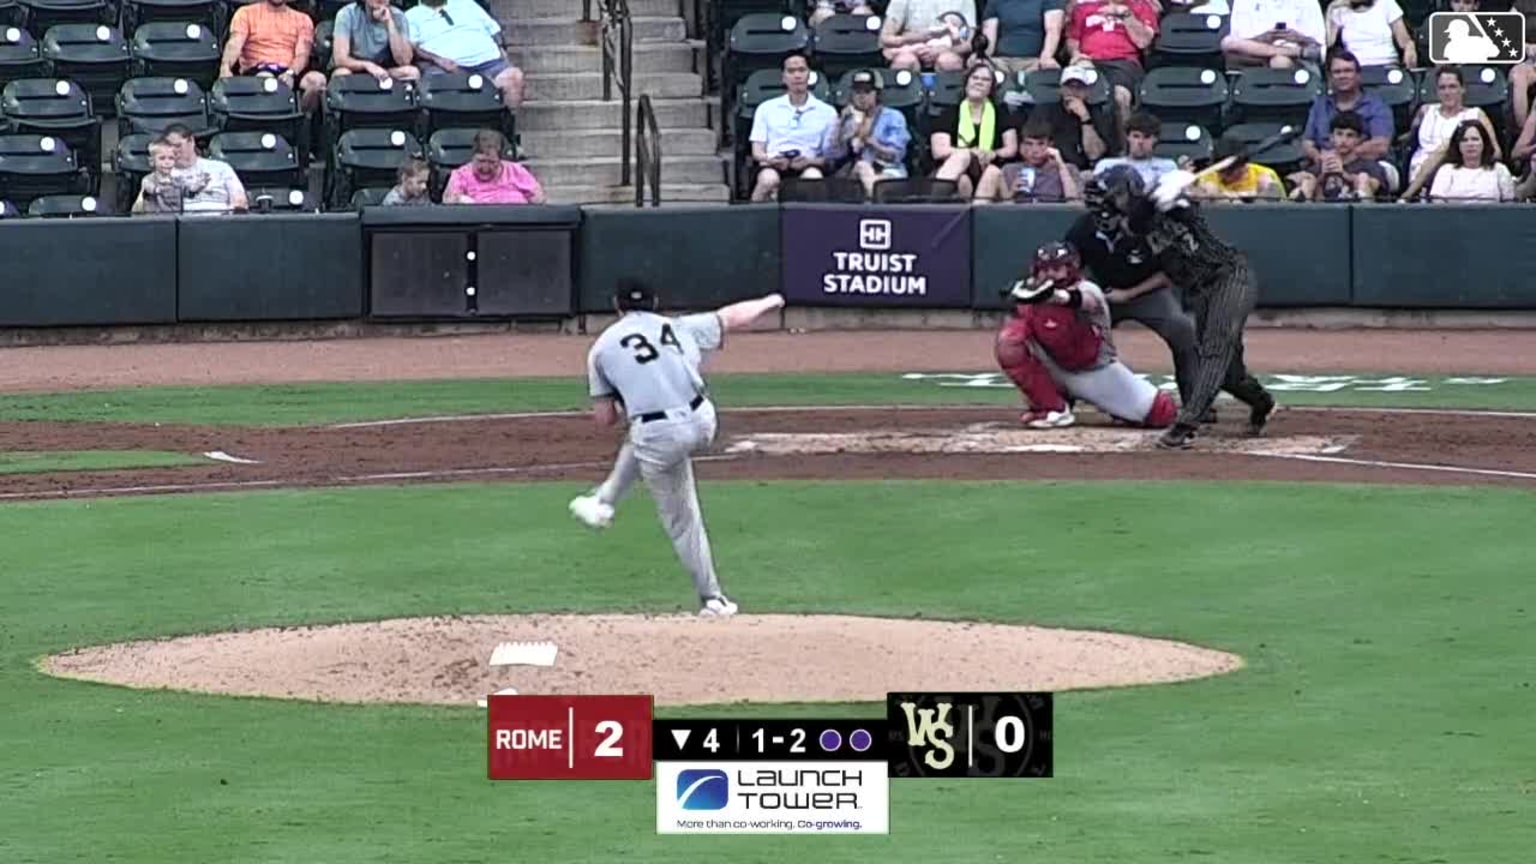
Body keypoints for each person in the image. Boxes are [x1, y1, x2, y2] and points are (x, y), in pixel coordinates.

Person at [569, 282, 788, 617]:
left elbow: (605, 419)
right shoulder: (678, 326)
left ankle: (712, 598)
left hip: (658, 435)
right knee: (641, 439)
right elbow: (731, 317)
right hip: (703, 419)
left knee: (682, 518)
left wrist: (625, 391)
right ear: (656, 303)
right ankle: (603, 501)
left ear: (616, 305)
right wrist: (771, 300)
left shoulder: (601, 348)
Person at [1093, 167, 1278, 449]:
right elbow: (1138, 223)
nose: (1112, 201)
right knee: (1229, 374)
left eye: (1117, 194)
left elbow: (1189, 215)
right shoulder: (1135, 223)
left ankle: (1186, 424)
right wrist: (1153, 202)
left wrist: (1174, 201)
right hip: (1199, 291)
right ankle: (1262, 402)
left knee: (1215, 350)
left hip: (1228, 276)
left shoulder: (1178, 206)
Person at [993, 241, 1180, 429]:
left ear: (1070, 268)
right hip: (1052, 366)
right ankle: (1052, 407)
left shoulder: (1088, 290)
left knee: (1162, 411)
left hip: (1093, 371)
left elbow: (1084, 301)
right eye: (1044, 269)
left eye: (1057, 268)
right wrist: (1020, 298)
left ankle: (1107, 403)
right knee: (1009, 342)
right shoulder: (1027, 294)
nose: (1050, 274)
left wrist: (1054, 296)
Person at [1068, 165, 1203, 415]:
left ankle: (1196, 402)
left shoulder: (1153, 226)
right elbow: (1070, 265)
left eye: (1117, 195)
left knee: (1182, 329)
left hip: (1147, 290)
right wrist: (1088, 292)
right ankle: (1063, 399)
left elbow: (1170, 273)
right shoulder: (1084, 227)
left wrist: (1128, 295)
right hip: (1102, 293)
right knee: (1069, 333)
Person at [833, 68, 913, 198]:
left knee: (868, 172)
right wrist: (840, 127)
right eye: (857, 92)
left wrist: (872, 143)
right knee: (861, 166)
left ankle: (874, 200)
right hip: (854, 173)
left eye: (867, 92)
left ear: (878, 94)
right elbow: (834, 154)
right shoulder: (848, 118)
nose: (862, 96)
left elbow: (897, 155)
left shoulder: (893, 116)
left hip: (890, 171)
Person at [442, 129, 545, 204]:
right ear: (473, 157)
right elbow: (450, 202)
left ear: (500, 160)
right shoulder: (461, 175)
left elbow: (539, 199)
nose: (485, 167)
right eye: (481, 161)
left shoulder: (516, 171)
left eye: (492, 162)